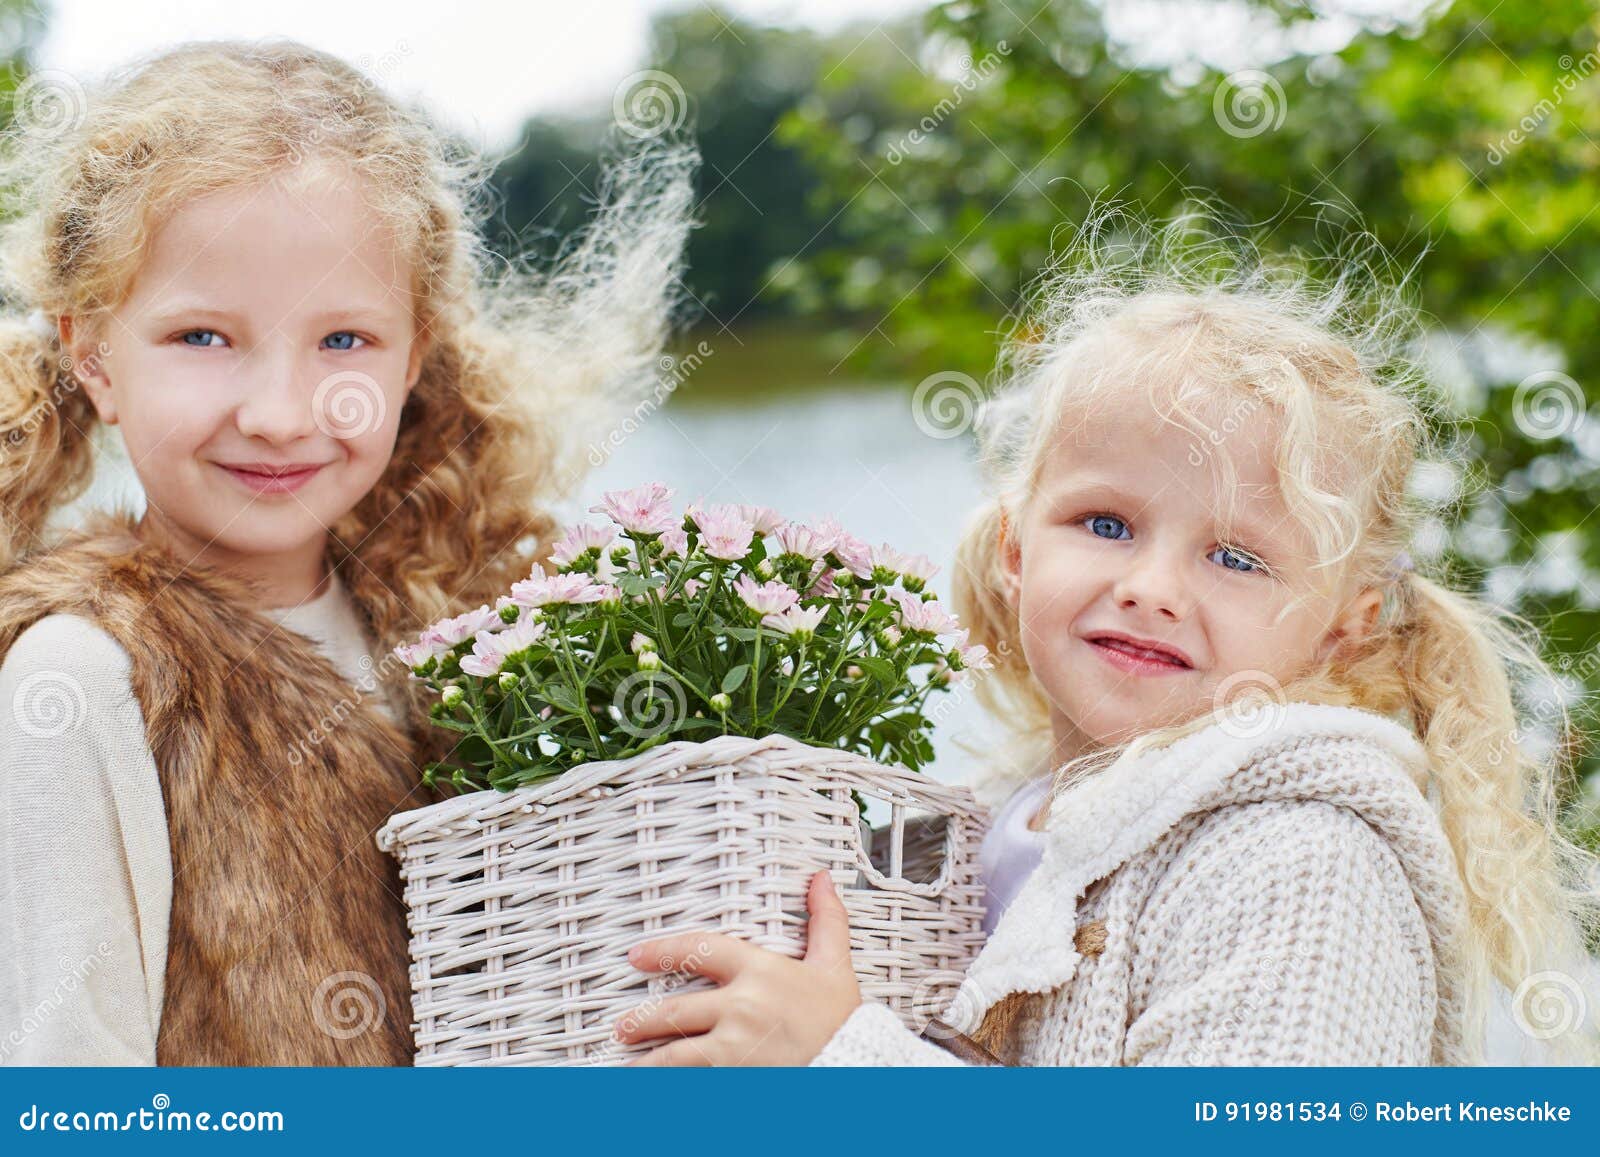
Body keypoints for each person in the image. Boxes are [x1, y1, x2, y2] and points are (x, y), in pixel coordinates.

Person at [612, 211, 1600, 1066]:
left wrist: (840, 1057)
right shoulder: (1011, 823)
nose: (1151, 588)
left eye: (1237, 557)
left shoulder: (1299, 861)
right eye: (1106, 524)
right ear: (1013, 546)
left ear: (1347, 624)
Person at [0, 38, 693, 1065]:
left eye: (342, 341)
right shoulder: (81, 681)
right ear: (95, 355)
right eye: (202, 337)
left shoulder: (473, 632)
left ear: (415, 352)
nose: (280, 415)